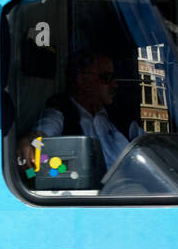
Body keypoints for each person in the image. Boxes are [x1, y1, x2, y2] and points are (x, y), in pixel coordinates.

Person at [25, 50, 141, 185]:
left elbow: (148, 145)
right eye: (107, 77)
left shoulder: (120, 119)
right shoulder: (61, 115)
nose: (115, 85)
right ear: (83, 81)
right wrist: (29, 142)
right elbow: (39, 136)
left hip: (135, 192)